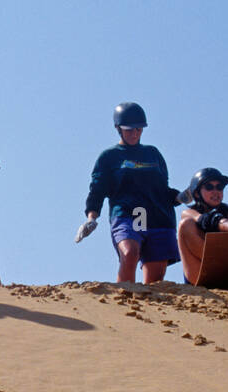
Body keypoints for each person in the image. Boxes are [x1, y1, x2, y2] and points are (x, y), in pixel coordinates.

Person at [75, 102, 188, 283]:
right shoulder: (110, 157)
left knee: (154, 282)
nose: (135, 133)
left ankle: (145, 309)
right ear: (118, 128)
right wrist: (91, 217)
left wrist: (180, 197)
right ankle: (122, 300)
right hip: (134, 214)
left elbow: (161, 190)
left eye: (139, 129)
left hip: (159, 217)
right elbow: (97, 189)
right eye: (130, 129)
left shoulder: (152, 154)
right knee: (130, 253)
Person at [176, 167, 228, 284]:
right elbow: (207, 220)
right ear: (197, 193)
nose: (215, 191)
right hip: (199, 278)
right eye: (209, 187)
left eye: (219, 187)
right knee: (185, 225)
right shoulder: (189, 213)